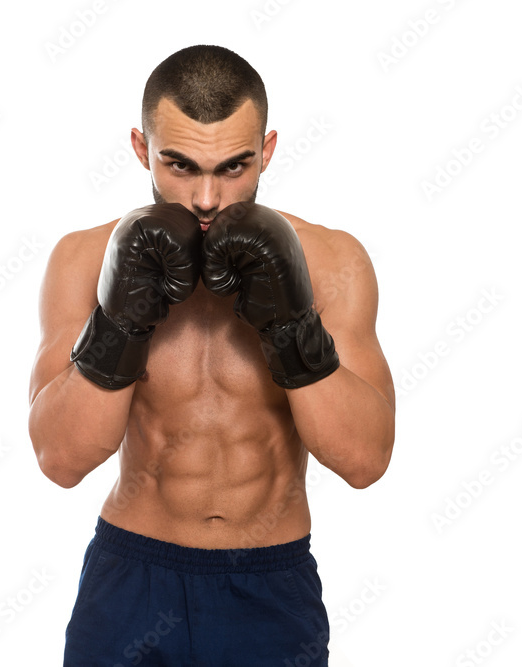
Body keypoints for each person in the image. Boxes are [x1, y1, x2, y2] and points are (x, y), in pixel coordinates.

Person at [28, 44, 395, 666]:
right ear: (143, 148)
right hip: (131, 576)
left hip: (268, 585)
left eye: (232, 167)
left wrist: (292, 324)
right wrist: (118, 320)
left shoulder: (333, 261)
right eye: (179, 165)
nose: (205, 197)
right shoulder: (83, 260)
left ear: (268, 151)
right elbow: (61, 460)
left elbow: (365, 461)